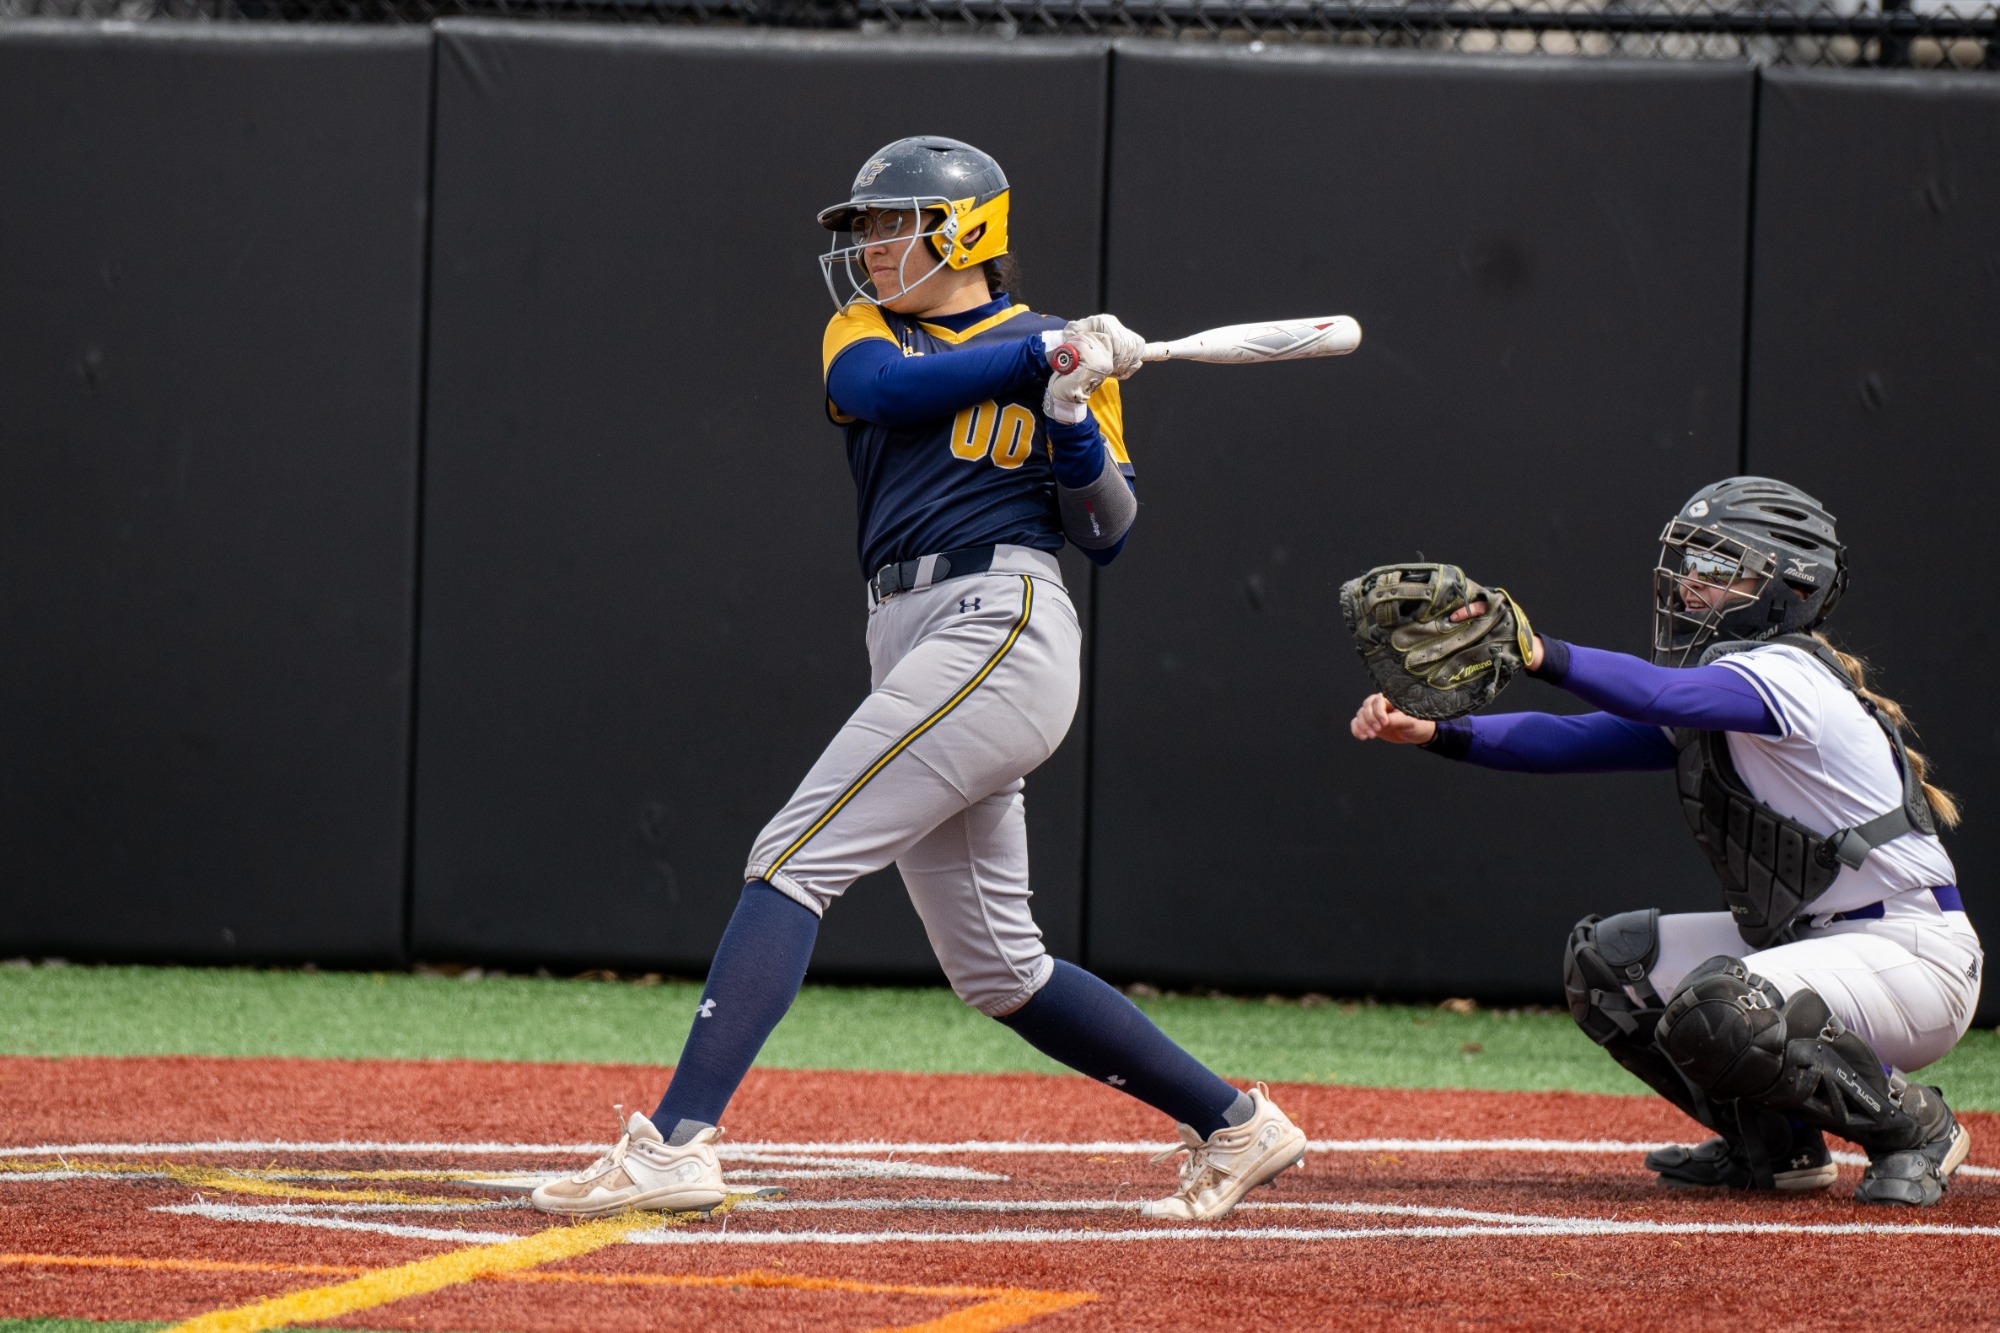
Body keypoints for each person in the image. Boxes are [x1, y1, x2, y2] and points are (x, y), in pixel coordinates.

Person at [531, 136, 1306, 1223]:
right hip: (910, 629)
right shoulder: (874, 333)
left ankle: (676, 1141)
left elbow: (1107, 531)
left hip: (1000, 621)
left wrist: (1076, 417)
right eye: (868, 228)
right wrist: (1045, 363)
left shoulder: (1057, 351)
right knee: (998, 968)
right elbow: (883, 390)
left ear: (965, 230)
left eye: (891, 224)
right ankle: (1237, 1124)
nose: (871, 247)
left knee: (791, 856)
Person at [1350, 477, 1981, 1206]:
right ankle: (1773, 1148)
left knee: (1722, 1003)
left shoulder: (1788, 673)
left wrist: (1538, 651)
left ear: (1786, 585)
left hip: (1912, 959)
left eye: (1718, 569)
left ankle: (1917, 1126)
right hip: (1820, 953)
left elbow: (1656, 695)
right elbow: (1566, 741)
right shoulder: (1737, 687)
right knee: (1611, 964)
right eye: (1689, 566)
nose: (1689, 586)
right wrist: (1434, 731)